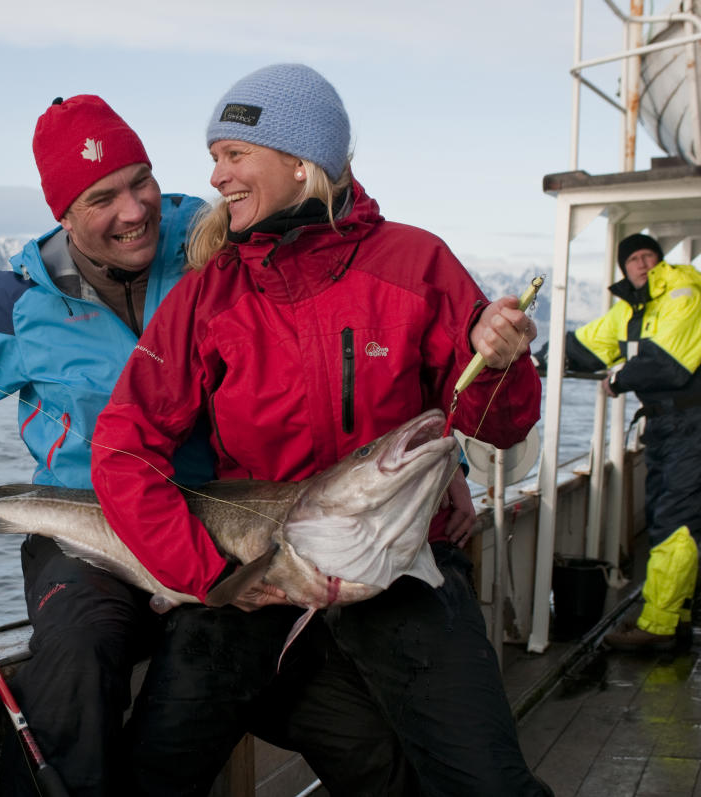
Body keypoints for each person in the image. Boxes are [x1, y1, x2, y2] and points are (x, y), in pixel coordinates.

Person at [91, 63, 550, 796]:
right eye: (213, 157)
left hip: (403, 563)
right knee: (154, 769)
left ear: (302, 162)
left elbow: (501, 423)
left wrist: (495, 360)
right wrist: (206, 574)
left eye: (234, 155)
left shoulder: (415, 263)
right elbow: (121, 444)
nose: (217, 176)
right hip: (252, 574)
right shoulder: (212, 293)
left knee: (487, 784)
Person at [0, 95, 216, 796]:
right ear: (63, 216)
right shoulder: (21, 300)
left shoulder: (212, 246)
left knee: (221, 656)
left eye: (141, 181)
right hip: (82, 524)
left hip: (213, 516)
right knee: (76, 644)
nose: (134, 210)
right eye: (104, 197)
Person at [543, 233, 701, 652]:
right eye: (633, 258)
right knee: (665, 518)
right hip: (667, 430)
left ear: (659, 260)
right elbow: (592, 343)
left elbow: (670, 363)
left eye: (648, 255)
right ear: (623, 267)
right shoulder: (632, 308)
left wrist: (619, 379)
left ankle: (660, 628)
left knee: (676, 525)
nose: (641, 263)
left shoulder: (683, 290)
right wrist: (540, 355)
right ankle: (676, 616)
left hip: (693, 425)